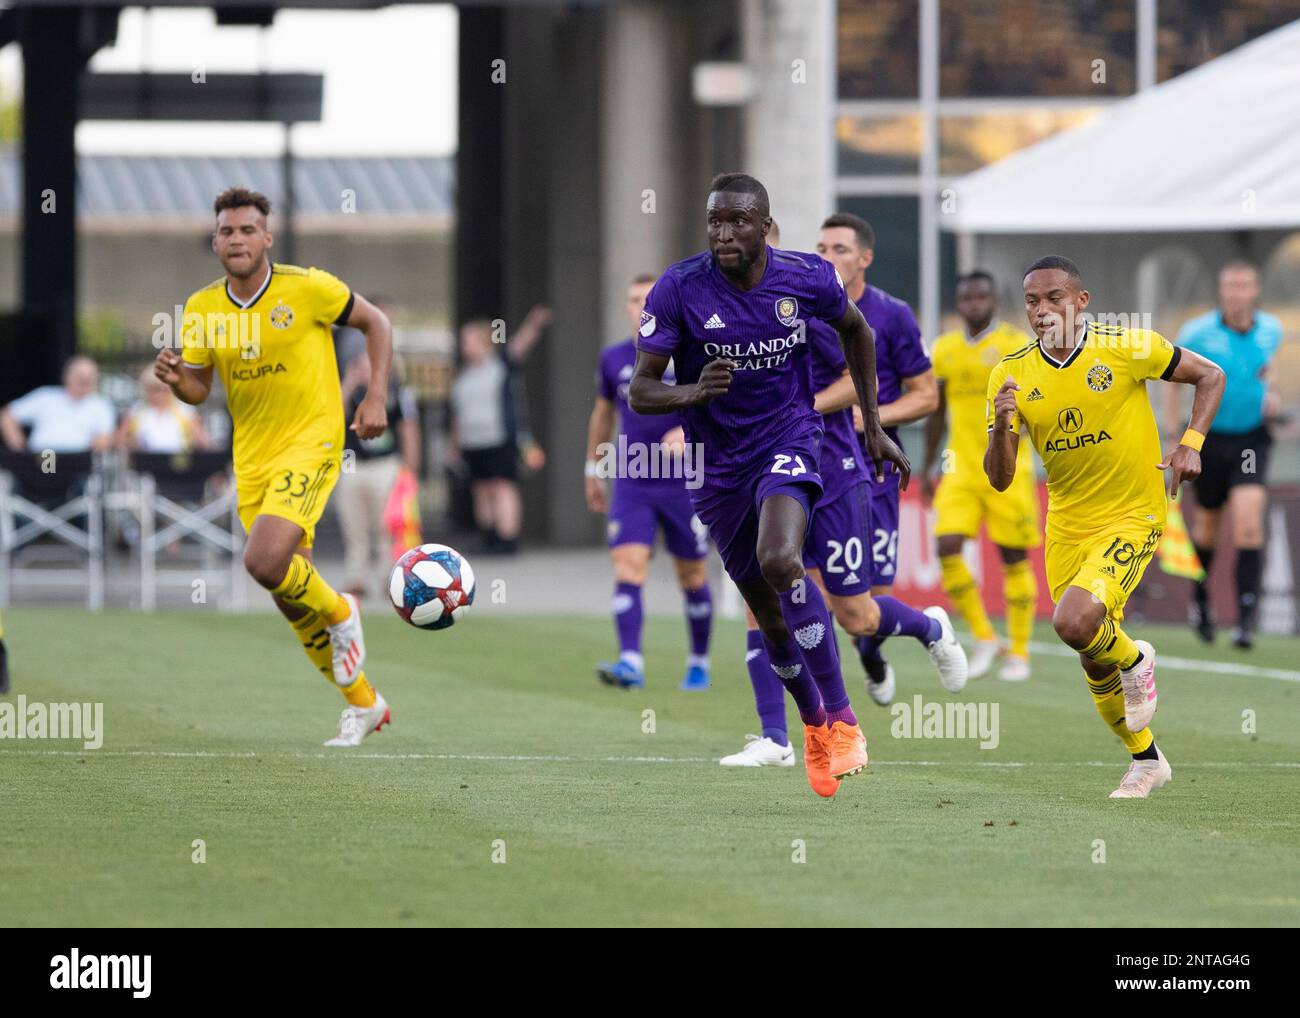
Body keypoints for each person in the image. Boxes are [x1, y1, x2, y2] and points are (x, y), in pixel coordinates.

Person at [630, 173, 963, 798]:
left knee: (781, 559)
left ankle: (844, 719)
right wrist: (692, 391)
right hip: (716, 463)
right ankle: (812, 724)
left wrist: (871, 429)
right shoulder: (679, 287)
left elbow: (857, 332)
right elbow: (641, 389)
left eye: (737, 221)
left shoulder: (805, 277)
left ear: (763, 224)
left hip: (790, 438)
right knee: (767, 616)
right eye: (715, 222)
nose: (724, 233)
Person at [153, 186, 395, 747]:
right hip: (254, 456)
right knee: (288, 595)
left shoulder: (307, 288)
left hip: (311, 441)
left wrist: (374, 396)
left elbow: (377, 323)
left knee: (263, 563)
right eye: (226, 231)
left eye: (246, 230)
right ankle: (364, 704)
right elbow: (199, 387)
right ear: (215, 241)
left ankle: (342, 609)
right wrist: (176, 379)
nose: (236, 239)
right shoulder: (202, 308)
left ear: (266, 237)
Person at [721, 222, 967, 767]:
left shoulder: (812, 302)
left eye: (839, 249)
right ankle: (775, 737)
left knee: (854, 614)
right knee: (764, 600)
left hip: (833, 471)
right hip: (767, 472)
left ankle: (929, 627)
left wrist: (801, 408)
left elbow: (865, 378)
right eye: (822, 248)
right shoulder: (722, 306)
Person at [985, 255, 1224, 799]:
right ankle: (1146, 761)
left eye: (1054, 298)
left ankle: (1138, 659)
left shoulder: (1127, 346)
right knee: (1092, 653)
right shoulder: (1011, 373)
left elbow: (1210, 376)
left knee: (1073, 622)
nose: (1042, 311)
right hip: (1067, 523)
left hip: (1132, 513)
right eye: (1031, 302)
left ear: (1081, 301)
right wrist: (1002, 428)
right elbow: (999, 478)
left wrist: (1191, 443)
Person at [815, 213, 939, 702]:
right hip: (817, 462)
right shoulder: (800, 310)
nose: (828, 258)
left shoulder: (892, 314)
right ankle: (822, 703)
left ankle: (872, 657)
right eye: (821, 248)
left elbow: (926, 396)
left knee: (871, 599)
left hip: (874, 465)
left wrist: (872, 415)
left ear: (864, 258)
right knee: (813, 587)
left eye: (840, 249)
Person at [586, 273, 712, 691]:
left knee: (692, 575)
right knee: (629, 564)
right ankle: (630, 662)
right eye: (632, 298)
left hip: (685, 481)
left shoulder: (691, 354)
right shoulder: (614, 359)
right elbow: (603, 414)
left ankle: (698, 662)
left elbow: (722, 405)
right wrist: (593, 468)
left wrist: (690, 431)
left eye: (647, 298)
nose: (638, 305)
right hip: (634, 479)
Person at [925, 271, 1040, 681]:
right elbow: (937, 411)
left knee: (1012, 556)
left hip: (1009, 468)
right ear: (958, 303)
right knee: (946, 545)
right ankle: (984, 636)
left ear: (993, 301)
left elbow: (1035, 404)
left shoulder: (1014, 345)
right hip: (959, 466)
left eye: (981, 297)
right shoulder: (946, 349)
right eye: (966, 297)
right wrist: (926, 465)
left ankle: (1020, 652)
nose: (973, 303)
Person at [1172, 261, 1282, 649]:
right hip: (1209, 438)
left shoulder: (1271, 329)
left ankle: (1245, 620)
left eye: (1244, 285)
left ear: (1255, 290)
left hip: (1251, 439)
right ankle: (1200, 601)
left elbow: (1264, 371)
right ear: (1223, 291)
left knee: (1250, 522)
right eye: (1230, 285)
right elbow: (1173, 378)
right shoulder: (1197, 332)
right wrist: (1177, 431)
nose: (1237, 292)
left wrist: (1272, 394)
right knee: (1207, 529)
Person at [448, 306, 550, 555]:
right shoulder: (463, 377)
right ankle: (489, 536)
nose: (465, 344)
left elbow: (520, 345)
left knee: (502, 486)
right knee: (481, 489)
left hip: (499, 438)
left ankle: (508, 537)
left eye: (469, 339)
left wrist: (534, 323)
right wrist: (454, 446)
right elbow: (458, 415)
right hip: (473, 441)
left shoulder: (500, 365)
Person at [336, 347, 422, 598]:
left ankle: (391, 576)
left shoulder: (396, 391)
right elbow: (331, 416)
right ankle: (356, 578)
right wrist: (350, 383)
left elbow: (409, 429)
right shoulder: (349, 391)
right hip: (353, 464)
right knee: (354, 526)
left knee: (387, 526)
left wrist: (409, 470)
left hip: (385, 465)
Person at [1, 355, 115, 454]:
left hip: (77, 461)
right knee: (47, 471)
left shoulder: (101, 405)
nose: (84, 380)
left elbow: (104, 439)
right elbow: (6, 415)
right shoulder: (46, 396)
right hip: (45, 457)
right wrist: (20, 449)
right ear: (66, 376)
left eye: (89, 376)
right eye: (80, 375)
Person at [116, 366, 215, 453]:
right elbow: (120, 441)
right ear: (147, 390)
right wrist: (133, 444)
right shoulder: (136, 411)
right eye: (156, 389)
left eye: (165, 389)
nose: (160, 394)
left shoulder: (184, 410)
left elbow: (202, 440)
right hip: (145, 462)